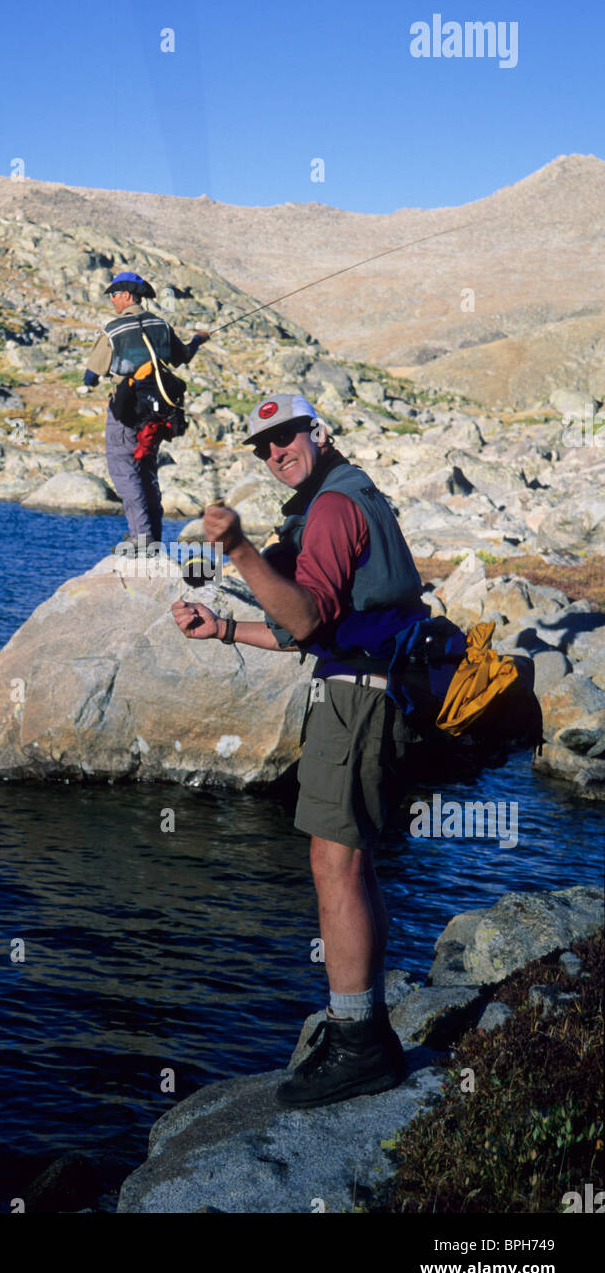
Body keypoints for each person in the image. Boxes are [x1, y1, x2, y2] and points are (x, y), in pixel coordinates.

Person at [171, 393, 430, 1108]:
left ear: (317, 431)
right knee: (351, 861)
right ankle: (363, 1027)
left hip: (358, 697)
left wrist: (241, 551)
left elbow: (306, 614)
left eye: (285, 437)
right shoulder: (336, 499)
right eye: (263, 445)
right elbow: (297, 630)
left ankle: (358, 1047)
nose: (275, 452)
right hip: (361, 688)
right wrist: (222, 629)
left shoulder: (337, 508)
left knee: (334, 861)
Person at [82, 272, 209, 547]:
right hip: (156, 415)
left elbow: (91, 376)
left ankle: (142, 538)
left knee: (124, 469)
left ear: (127, 295)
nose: (113, 301)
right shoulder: (161, 325)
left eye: (114, 295)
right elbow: (183, 356)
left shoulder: (113, 329)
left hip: (125, 410)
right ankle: (154, 537)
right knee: (146, 471)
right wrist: (197, 341)